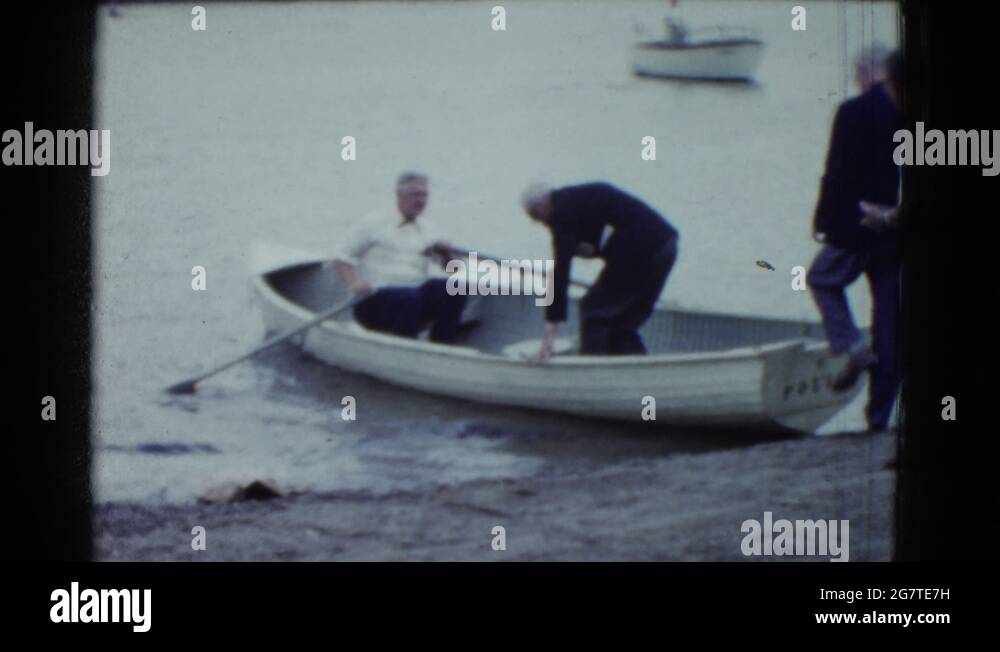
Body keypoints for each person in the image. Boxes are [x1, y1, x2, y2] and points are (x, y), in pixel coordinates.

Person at [807, 48, 903, 433]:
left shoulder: (854, 111)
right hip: (895, 229)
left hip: (857, 226)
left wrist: (824, 220)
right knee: (889, 321)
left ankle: (852, 347)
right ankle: (878, 417)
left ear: (866, 71)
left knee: (822, 279)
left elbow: (837, 173)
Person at [520, 181, 679, 361]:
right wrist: (595, 251)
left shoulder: (560, 211)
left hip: (643, 248)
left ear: (542, 206)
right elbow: (619, 227)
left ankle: (591, 373)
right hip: (666, 245)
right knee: (622, 324)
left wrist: (550, 331)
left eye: (535, 217)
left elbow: (561, 270)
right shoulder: (577, 199)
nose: (539, 223)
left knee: (593, 309)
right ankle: (640, 374)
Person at [332, 172, 467, 343]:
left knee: (456, 287)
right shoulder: (374, 222)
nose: (421, 200)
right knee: (409, 298)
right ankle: (406, 347)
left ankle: (442, 346)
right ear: (399, 195)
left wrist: (446, 254)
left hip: (413, 297)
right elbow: (340, 258)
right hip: (374, 300)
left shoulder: (429, 227)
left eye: (424, 195)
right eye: (415, 195)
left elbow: (453, 269)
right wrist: (354, 282)